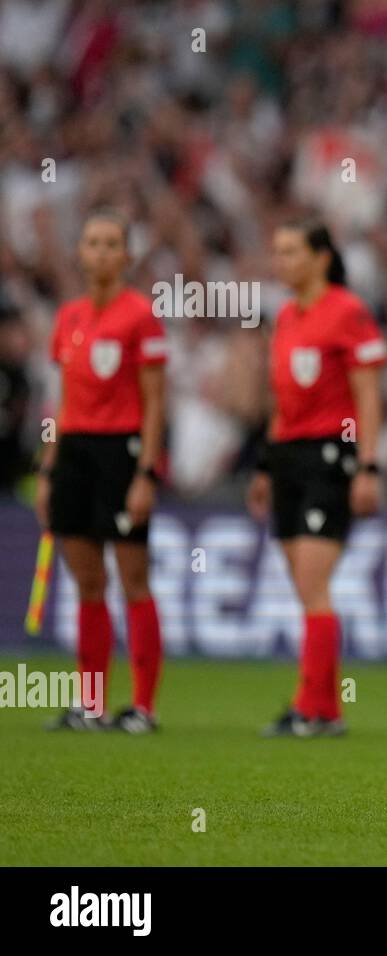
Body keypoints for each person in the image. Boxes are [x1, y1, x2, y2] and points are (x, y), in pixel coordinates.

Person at [247, 219, 387, 737]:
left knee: (313, 585)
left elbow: (368, 395)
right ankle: (325, 711)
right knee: (304, 586)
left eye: (290, 252)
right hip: (286, 456)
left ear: (321, 258)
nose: (280, 262)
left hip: (329, 457)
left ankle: (310, 706)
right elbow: (281, 399)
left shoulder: (347, 311)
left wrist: (368, 466)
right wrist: (264, 464)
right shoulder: (286, 315)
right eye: (277, 252)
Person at [37, 211, 167, 733]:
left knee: (134, 579)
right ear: (80, 253)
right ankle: (90, 703)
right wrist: (48, 467)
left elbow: (156, 403)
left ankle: (142, 705)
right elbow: (60, 401)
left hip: (122, 451)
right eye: (92, 243)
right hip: (73, 452)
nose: (101, 252)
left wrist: (145, 473)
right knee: (88, 580)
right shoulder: (67, 318)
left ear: (127, 256)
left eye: (112, 243)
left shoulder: (141, 316)